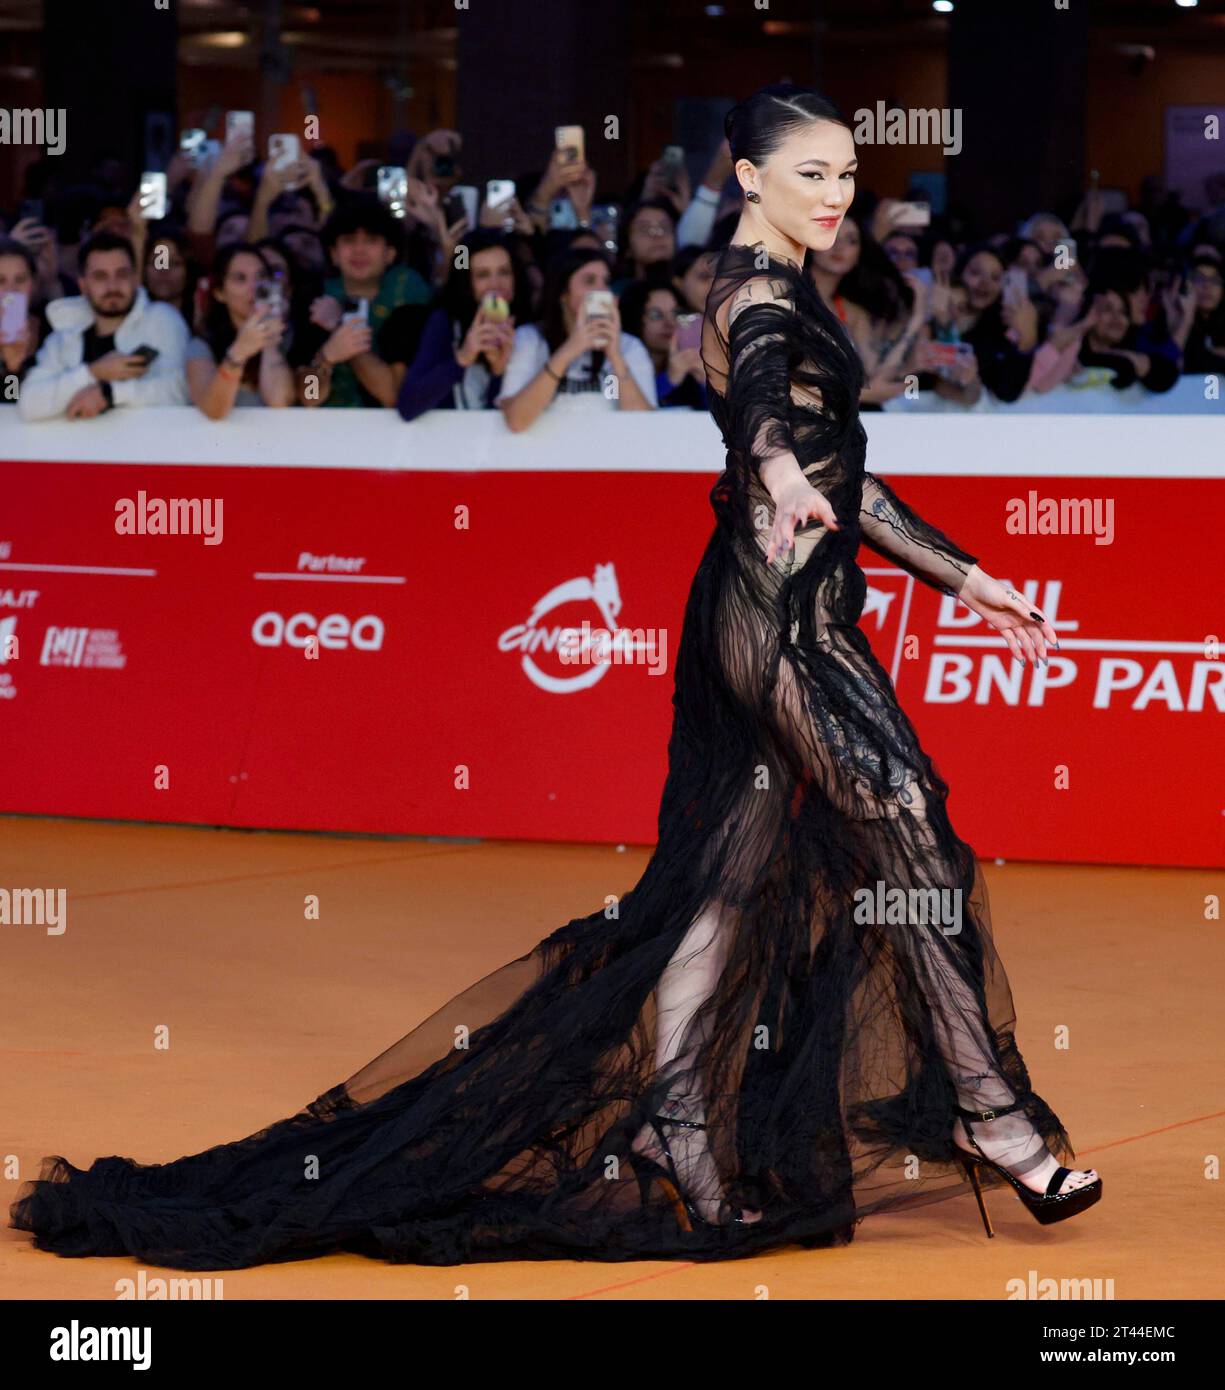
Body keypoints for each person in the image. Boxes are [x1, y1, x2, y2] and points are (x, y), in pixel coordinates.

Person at [8, 84, 1101, 1271]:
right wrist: (777, 472)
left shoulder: (787, 284)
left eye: (846, 175)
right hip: (780, 620)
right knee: (909, 827)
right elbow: (761, 414)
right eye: (812, 175)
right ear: (746, 178)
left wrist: (965, 576)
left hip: (763, 605)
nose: (837, 196)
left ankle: (682, 1130)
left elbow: (842, 471)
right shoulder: (750, 292)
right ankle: (991, 1117)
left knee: (724, 884)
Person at [17, 230, 188, 421]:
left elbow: (182, 390)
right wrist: (93, 372)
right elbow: (29, 404)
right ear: (83, 285)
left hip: (145, 448)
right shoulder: (63, 336)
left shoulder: (161, 319)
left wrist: (110, 393)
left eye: (121, 274)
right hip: (75, 448)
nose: (112, 286)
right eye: (100, 276)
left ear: (134, 279)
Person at [497, 247, 656, 430]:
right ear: (563, 294)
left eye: (606, 282)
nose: (602, 290)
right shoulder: (531, 339)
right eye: (589, 281)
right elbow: (517, 420)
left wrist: (615, 357)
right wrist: (570, 350)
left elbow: (643, 427)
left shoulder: (629, 346)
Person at [296, 197, 432, 408]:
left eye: (371, 240)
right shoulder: (316, 300)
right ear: (334, 254)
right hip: (325, 434)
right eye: (349, 240)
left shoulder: (407, 299)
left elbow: (391, 396)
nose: (359, 250)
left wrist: (340, 326)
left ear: (390, 253)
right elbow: (310, 397)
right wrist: (324, 360)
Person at [395, 229, 525, 419]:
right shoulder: (445, 322)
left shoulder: (530, 330)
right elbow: (408, 407)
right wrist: (463, 358)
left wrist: (499, 372)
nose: (495, 284)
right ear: (467, 282)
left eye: (504, 272)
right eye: (482, 275)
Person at [186, 242, 294, 417]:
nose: (255, 287)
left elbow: (279, 401)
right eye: (240, 279)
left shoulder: (288, 337)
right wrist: (239, 352)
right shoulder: (201, 346)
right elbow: (214, 411)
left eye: (262, 276)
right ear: (220, 293)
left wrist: (269, 338)